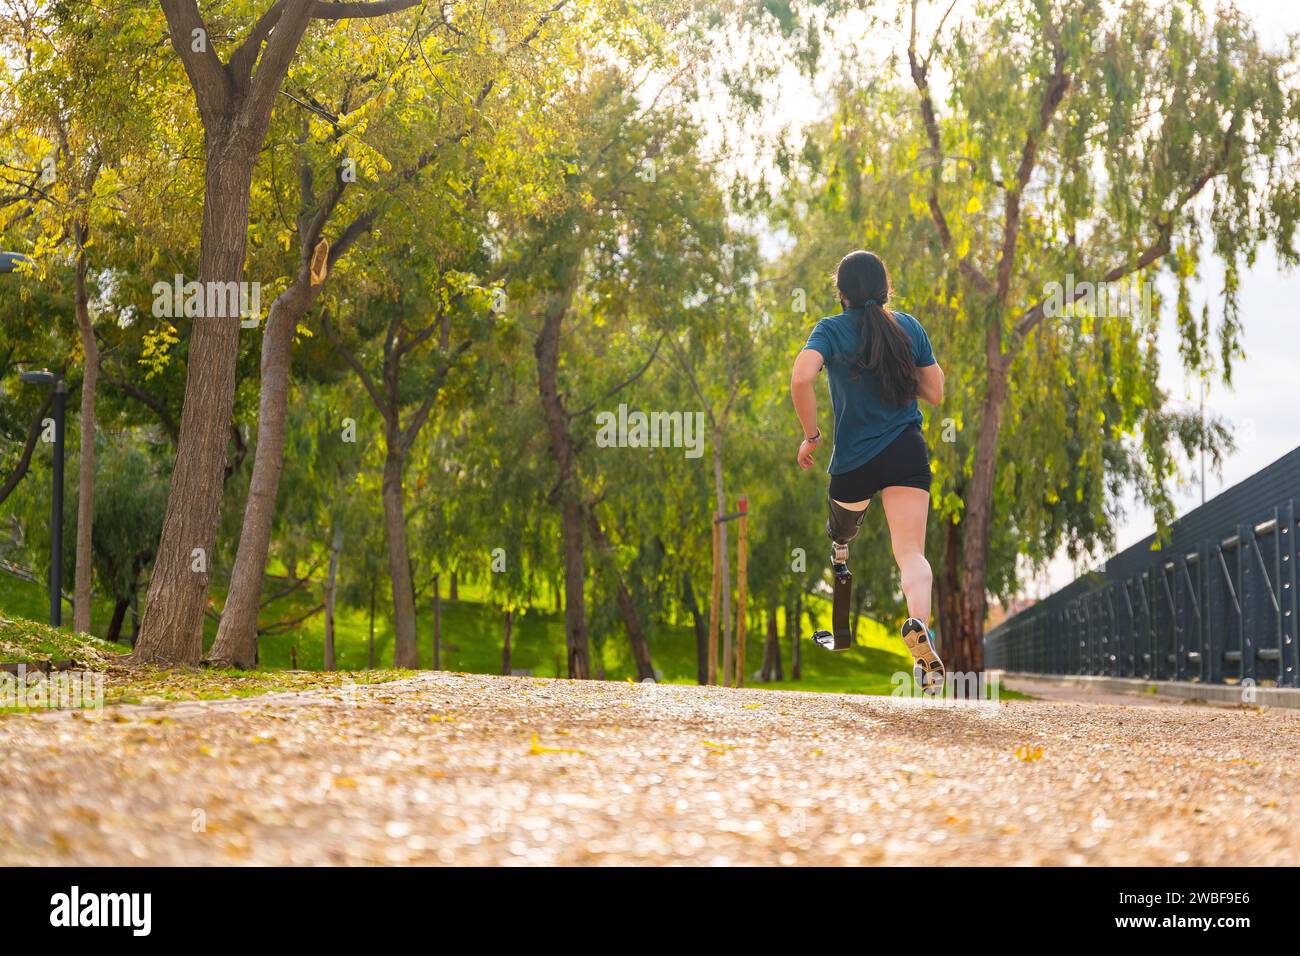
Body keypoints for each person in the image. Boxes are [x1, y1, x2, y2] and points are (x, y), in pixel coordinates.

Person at [789, 250, 946, 693]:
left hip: (854, 461)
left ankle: (840, 552)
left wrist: (812, 435)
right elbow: (935, 392)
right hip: (905, 451)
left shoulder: (830, 329)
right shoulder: (908, 327)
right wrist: (893, 370)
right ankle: (920, 633)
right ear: (885, 287)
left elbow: (801, 379)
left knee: (840, 534)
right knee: (911, 553)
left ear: (841, 292)